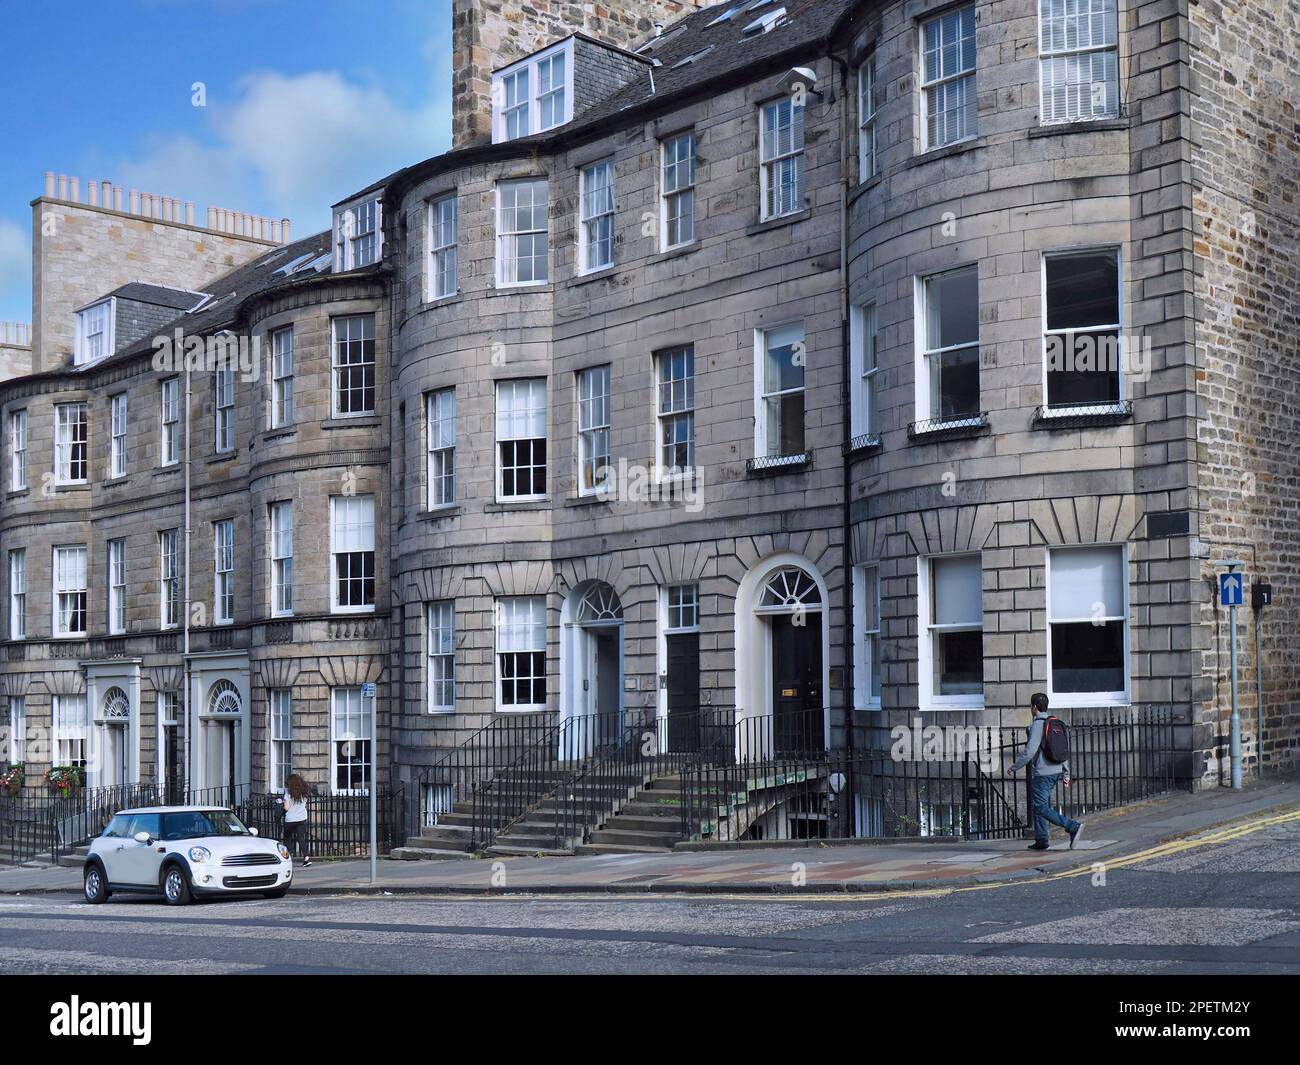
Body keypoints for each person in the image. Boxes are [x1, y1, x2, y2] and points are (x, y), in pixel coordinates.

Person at [1009, 692, 1083, 851]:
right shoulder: (1056, 723)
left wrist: (1014, 767)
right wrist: (1066, 772)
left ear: (1034, 707)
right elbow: (1062, 750)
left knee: (1041, 807)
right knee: (1040, 805)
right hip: (1056, 770)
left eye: (1031, 706)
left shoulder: (1038, 725)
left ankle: (1072, 826)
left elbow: (1029, 751)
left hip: (1043, 773)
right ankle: (1041, 840)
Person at [280, 774, 312, 867]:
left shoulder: (288, 792)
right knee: (301, 838)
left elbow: (286, 807)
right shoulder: (304, 791)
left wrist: (280, 810)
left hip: (290, 819)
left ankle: (286, 859)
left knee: (287, 839)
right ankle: (306, 858)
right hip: (301, 818)